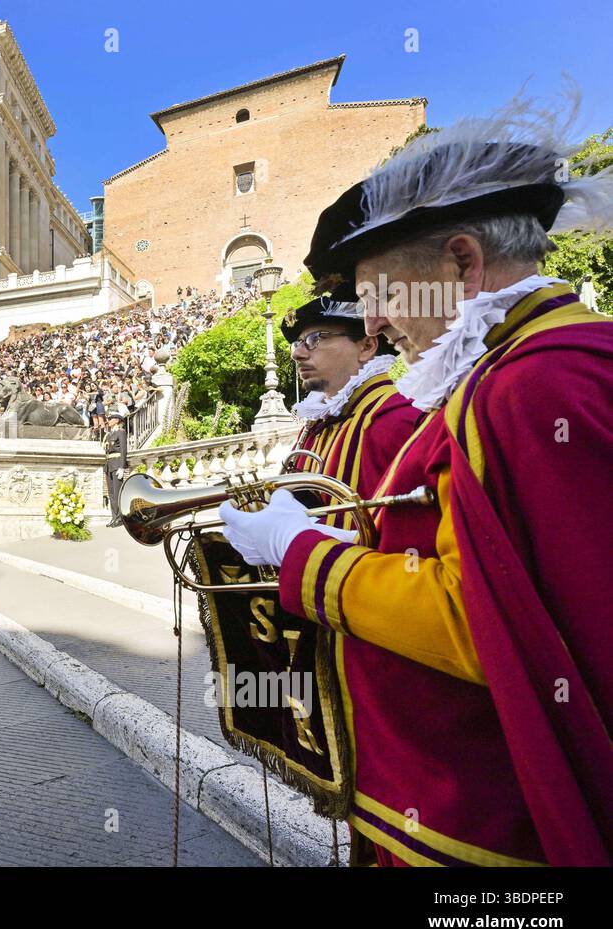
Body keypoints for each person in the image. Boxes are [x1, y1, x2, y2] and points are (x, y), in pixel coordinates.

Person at [219, 98, 613, 866]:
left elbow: (487, 626)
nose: (376, 328)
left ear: (462, 262)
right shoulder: (512, 376)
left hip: (482, 836)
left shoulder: (531, 388)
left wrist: (305, 555)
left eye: (381, 297)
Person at [282, 283, 422, 506]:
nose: (297, 354)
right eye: (298, 344)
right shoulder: (317, 425)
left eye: (314, 339)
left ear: (367, 346)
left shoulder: (399, 421)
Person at [103, 412, 128, 526]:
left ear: (117, 420)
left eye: (111, 418)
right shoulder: (109, 435)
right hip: (109, 465)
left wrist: (122, 467)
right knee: (111, 493)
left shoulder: (121, 432)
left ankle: (119, 518)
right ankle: (114, 517)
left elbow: (123, 450)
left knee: (117, 492)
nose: (109, 420)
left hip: (117, 464)